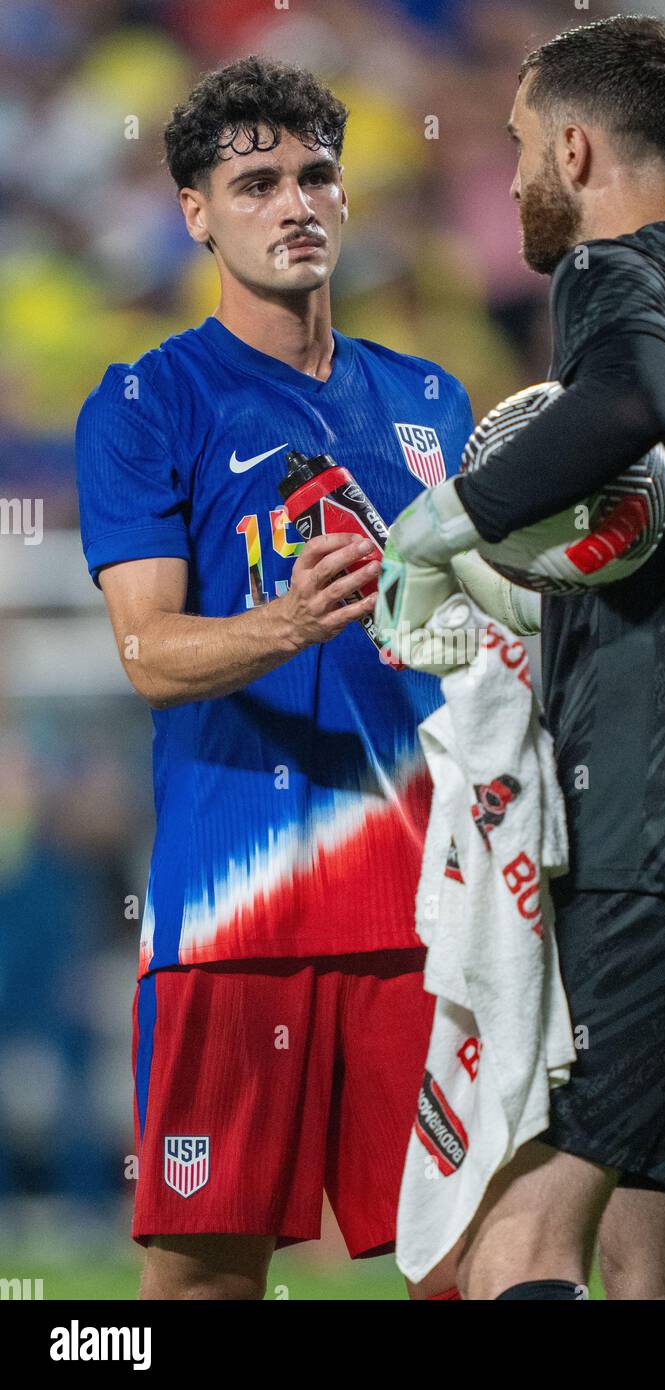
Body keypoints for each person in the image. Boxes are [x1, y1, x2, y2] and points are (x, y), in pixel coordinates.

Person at [379, 15, 665, 1300]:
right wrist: (541, 607)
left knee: (516, 1246)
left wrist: (441, 525)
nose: (515, 173)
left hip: (653, 829)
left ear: (574, 149)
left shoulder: (609, 269)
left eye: (521, 145)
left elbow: (627, 401)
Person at [75, 55, 475, 1300]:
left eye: (315, 175)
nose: (295, 203)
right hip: (234, 918)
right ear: (195, 213)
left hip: (425, 918)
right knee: (202, 1286)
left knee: (466, 1271)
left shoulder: (433, 400)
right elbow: (148, 653)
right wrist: (289, 620)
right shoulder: (145, 401)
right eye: (255, 184)